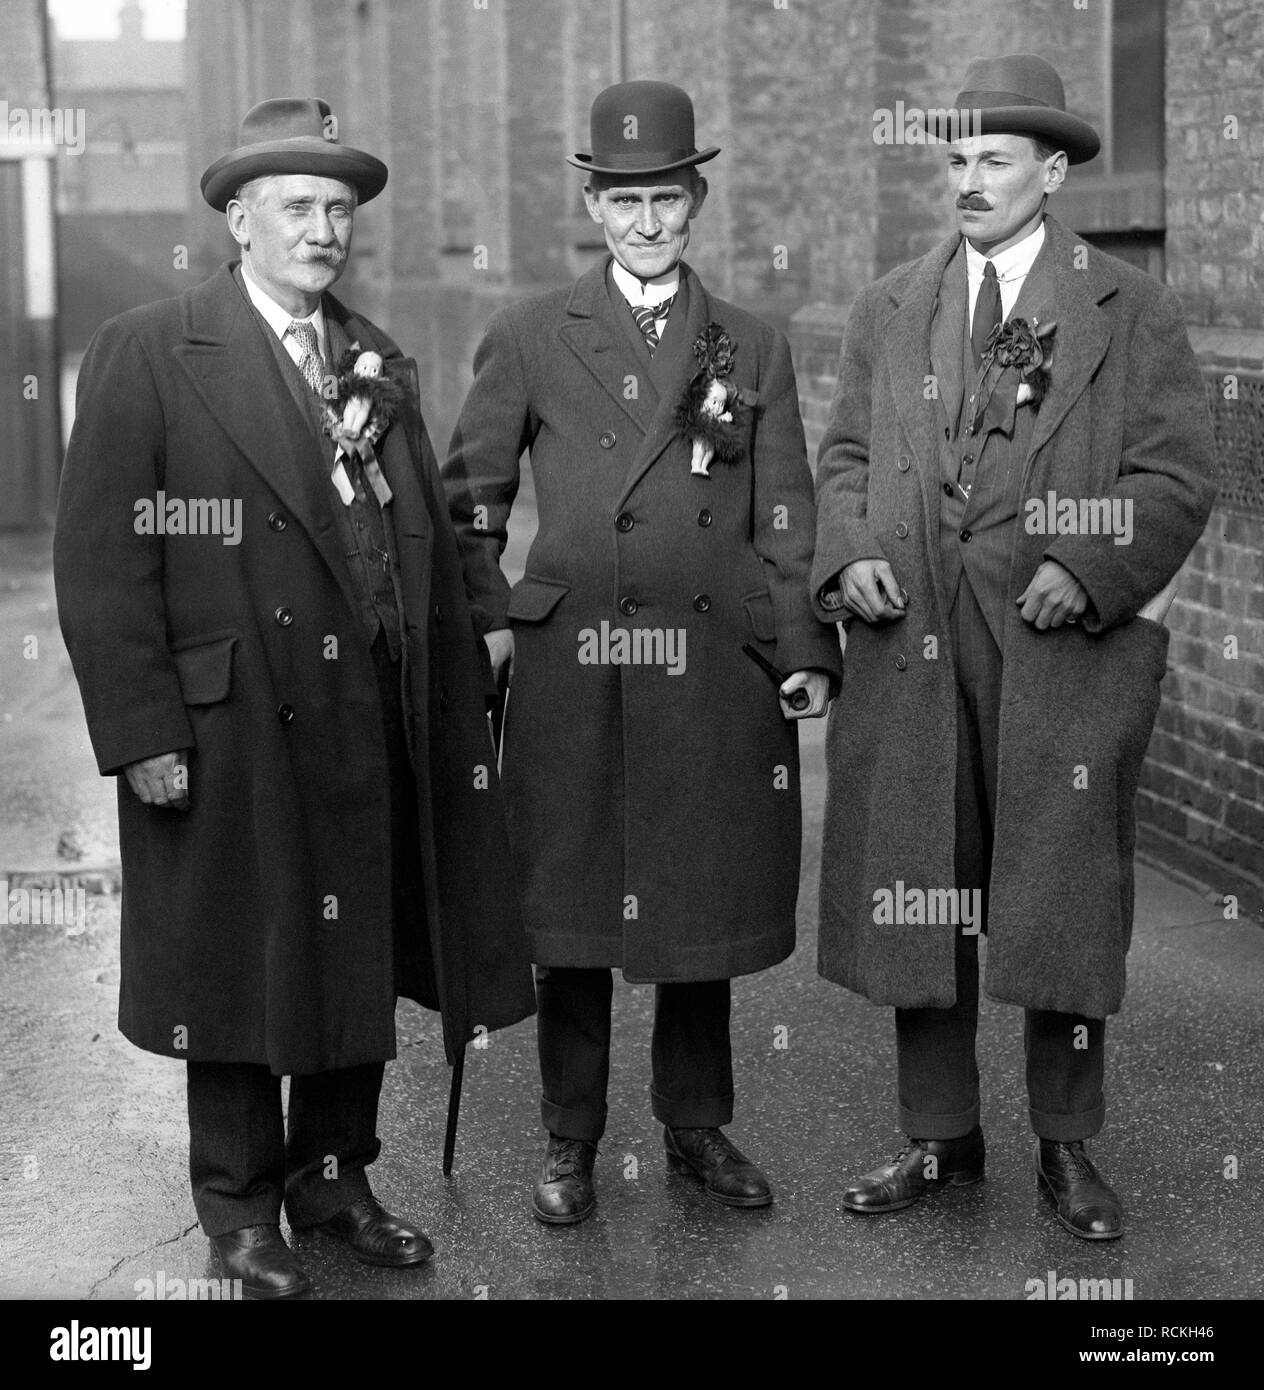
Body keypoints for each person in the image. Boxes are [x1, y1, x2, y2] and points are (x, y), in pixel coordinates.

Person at [54, 98, 534, 1297]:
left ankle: (332, 1177)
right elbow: (103, 564)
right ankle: (236, 1207)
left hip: (369, 711)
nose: (324, 230)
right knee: (236, 958)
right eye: (299, 207)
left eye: (340, 208)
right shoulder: (151, 350)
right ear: (238, 219)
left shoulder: (377, 357)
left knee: (349, 943)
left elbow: (427, 532)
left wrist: (472, 646)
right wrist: (144, 730)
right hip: (231, 723)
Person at [811, 54, 1216, 1240]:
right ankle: (938, 1136)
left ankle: (1066, 1147)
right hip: (912, 643)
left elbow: (1174, 476)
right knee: (919, 886)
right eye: (957, 159)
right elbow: (843, 460)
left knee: (1059, 899)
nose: (969, 180)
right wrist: (848, 551)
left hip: (1053, 653)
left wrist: (1087, 565)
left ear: (1052, 172)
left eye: (994, 159)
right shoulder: (892, 305)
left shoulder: (1126, 307)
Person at [445, 80, 842, 1225]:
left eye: (665, 199)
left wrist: (800, 646)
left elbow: (786, 513)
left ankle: (695, 1124)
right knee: (569, 905)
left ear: (696, 201)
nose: (646, 222)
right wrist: (487, 620)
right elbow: (468, 500)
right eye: (624, 202)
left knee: (694, 898)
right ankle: (569, 1136)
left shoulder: (750, 343)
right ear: (593, 207)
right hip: (573, 661)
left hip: (711, 662)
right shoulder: (530, 334)